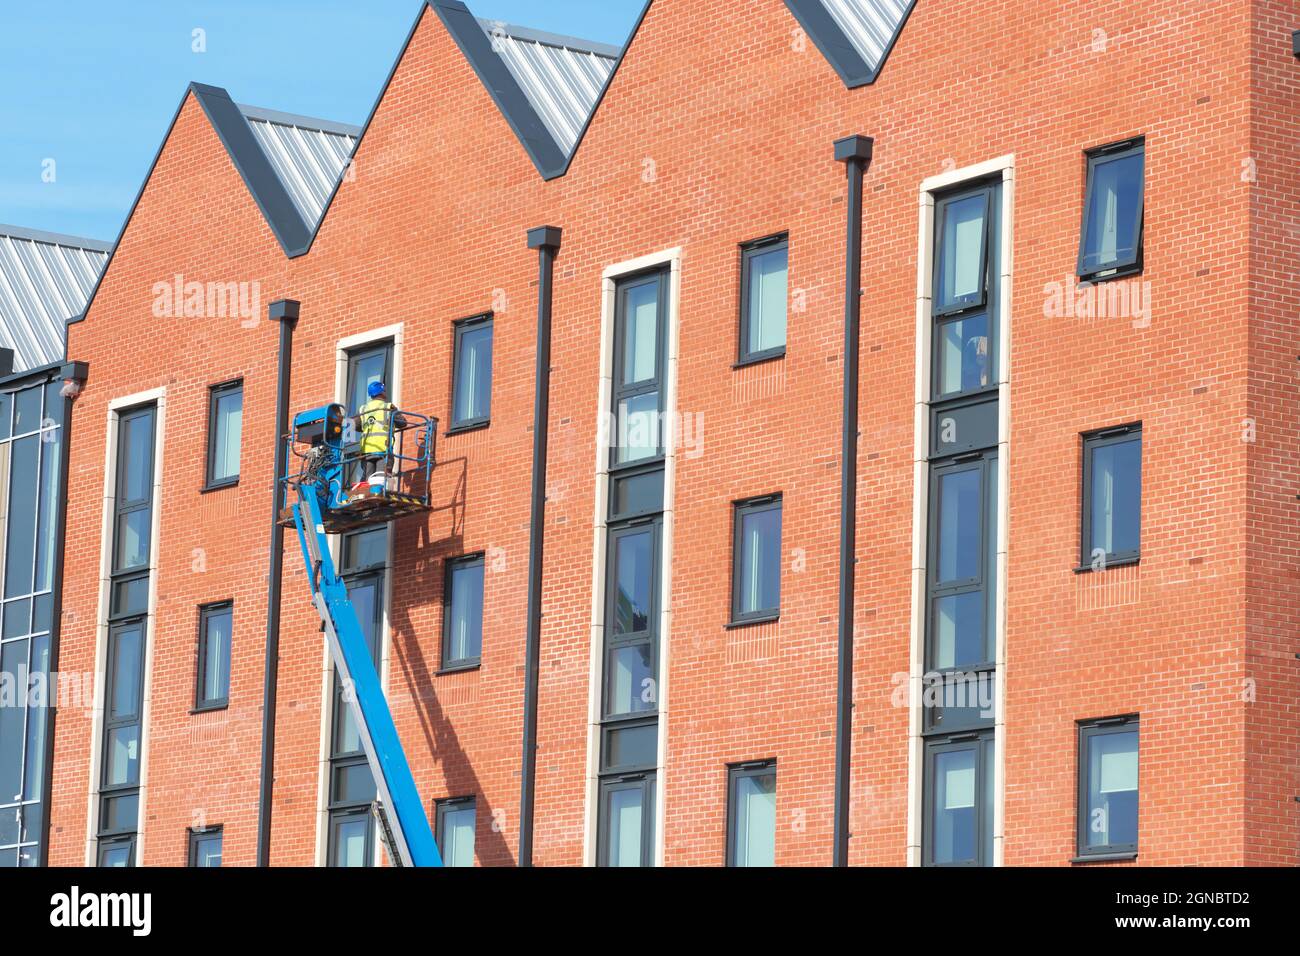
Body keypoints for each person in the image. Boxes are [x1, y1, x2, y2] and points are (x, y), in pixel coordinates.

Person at [354, 381, 405, 491]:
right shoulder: (388, 407)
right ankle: (380, 495)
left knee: (368, 481)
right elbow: (402, 423)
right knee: (381, 480)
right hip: (383, 450)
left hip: (367, 452)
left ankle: (367, 495)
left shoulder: (363, 409)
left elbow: (355, 425)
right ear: (382, 392)